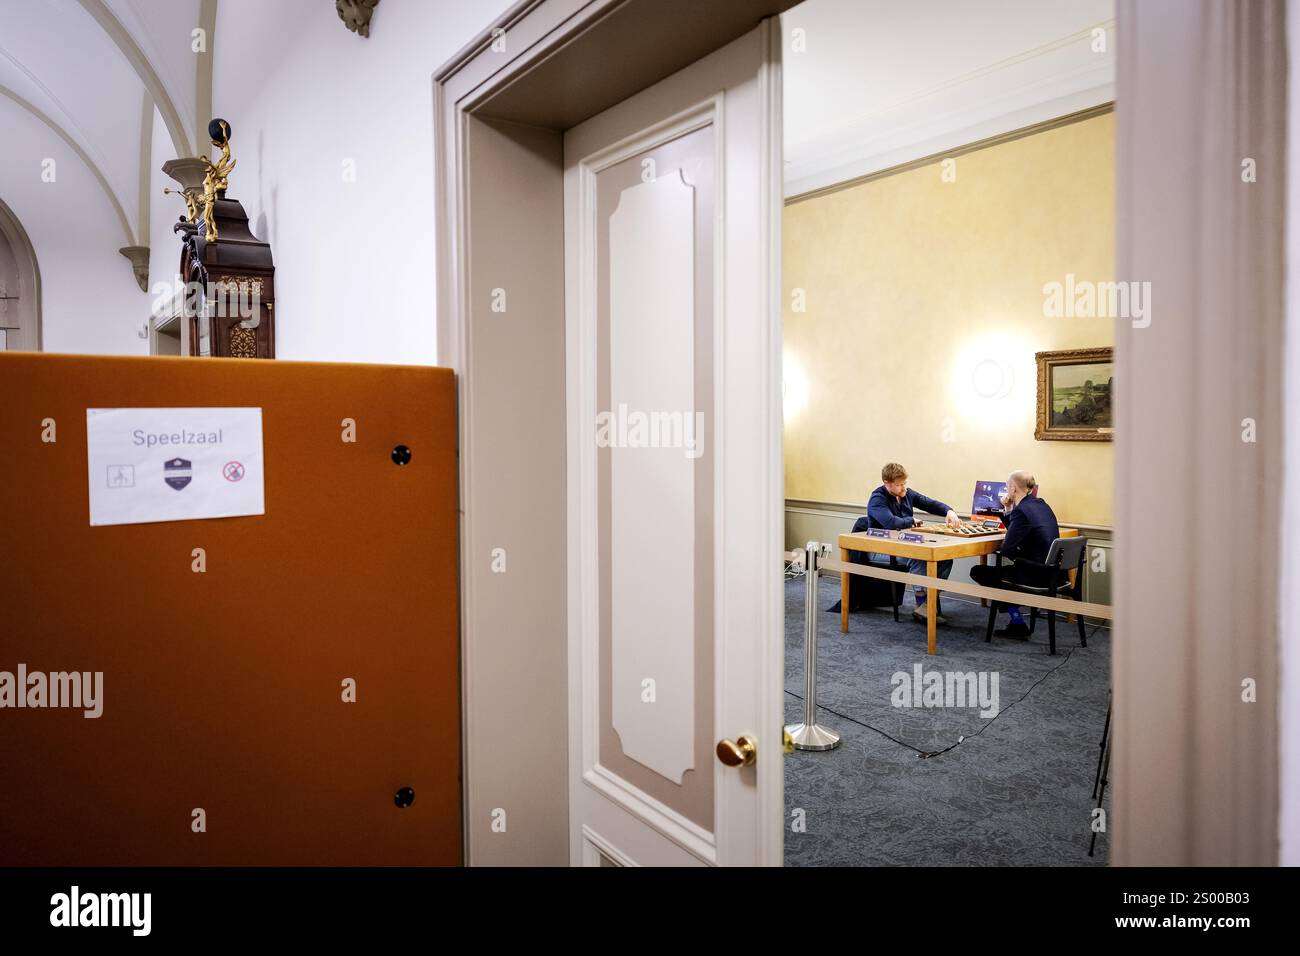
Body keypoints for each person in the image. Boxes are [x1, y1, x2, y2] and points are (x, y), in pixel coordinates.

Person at [865, 462, 962, 624]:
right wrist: (911, 520)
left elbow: (930, 503)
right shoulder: (877, 499)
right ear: (887, 483)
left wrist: (949, 511)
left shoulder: (906, 493)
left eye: (904, 483)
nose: (903, 488)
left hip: (903, 545)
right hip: (880, 548)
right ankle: (921, 604)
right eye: (899, 485)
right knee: (918, 557)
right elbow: (890, 522)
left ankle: (926, 603)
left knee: (944, 558)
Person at [969, 470, 1060, 638]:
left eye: (1006, 486)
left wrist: (1009, 548)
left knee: (979, 572)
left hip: (1033, 575)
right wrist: (1009, 509)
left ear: (1013, 489)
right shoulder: (1041, 504)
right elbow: (1020, 530)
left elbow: (1007, 550)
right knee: (1003, 573)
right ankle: (1016, 621)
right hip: (1055, 574)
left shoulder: (1022, 510)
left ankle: (1017, 622)